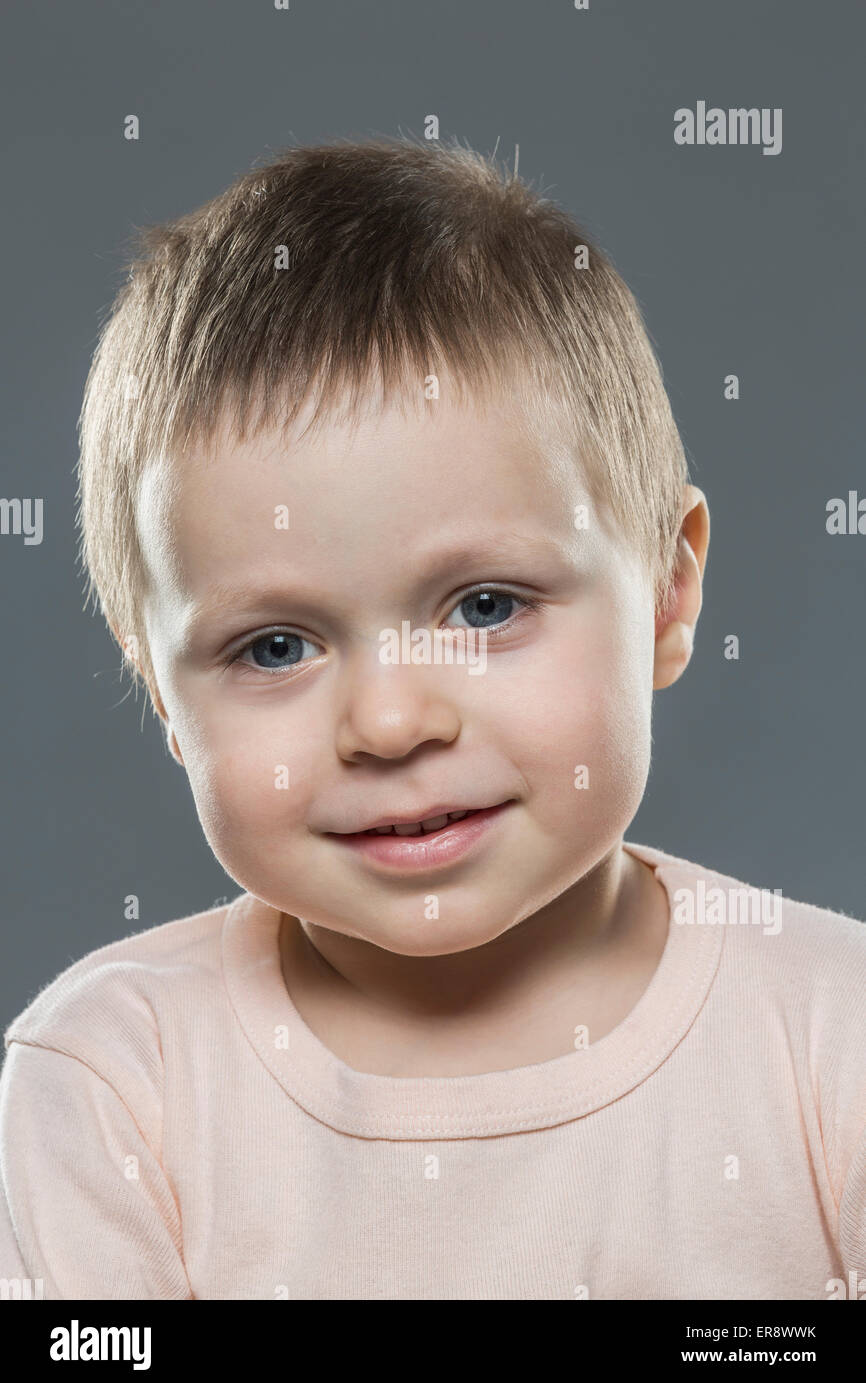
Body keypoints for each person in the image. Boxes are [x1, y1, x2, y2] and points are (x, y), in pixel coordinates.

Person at [1, 139, 863, 1300]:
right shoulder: (112, 1086)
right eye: (274, 646)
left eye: (486, 605)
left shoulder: (827, 1041)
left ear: (665, 590)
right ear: (162, 690)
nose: (391, 719)